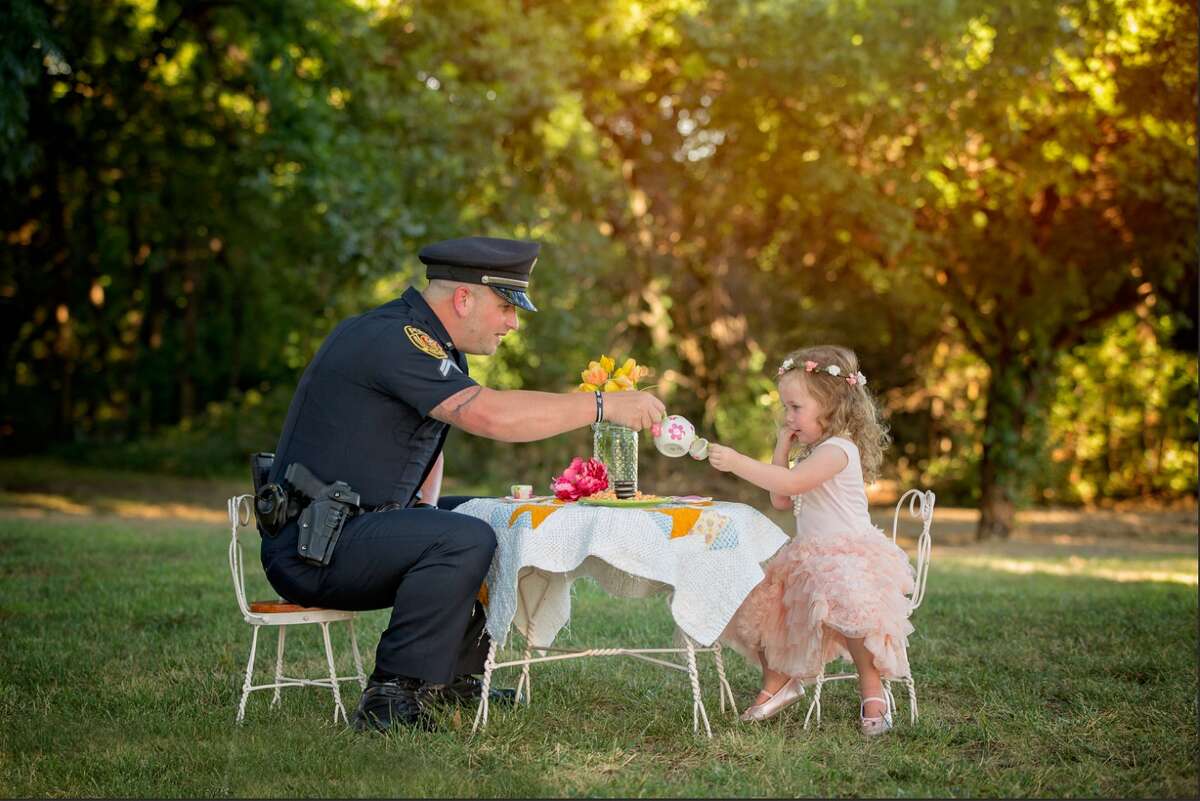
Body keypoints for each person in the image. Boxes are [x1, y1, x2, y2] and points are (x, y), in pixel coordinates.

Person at [260, 235, 666, 733]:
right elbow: (489, 415)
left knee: (479, 515)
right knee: (463, 537)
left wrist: (425, 512)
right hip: (312, 549)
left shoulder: (426, 340)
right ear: (463, 298)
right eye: (506, 307)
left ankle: (452, 679)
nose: (513, 323)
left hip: (348, 530)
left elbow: (426, 444)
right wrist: (602, 406)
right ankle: (392, 696)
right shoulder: (396, 339)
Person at [706, 345, 915, 736]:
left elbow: (789, 484)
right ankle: (779, 682)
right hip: (807, 556)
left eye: (795, 408)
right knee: (763, 609)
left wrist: (737, 462)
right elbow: (781, 499)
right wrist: (782, 446)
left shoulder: (839, 450)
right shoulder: (813, 452)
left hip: (847, 555)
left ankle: (873, 694)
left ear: (830, 404)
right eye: (785, 408)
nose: (788, 417)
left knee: (854, 614)